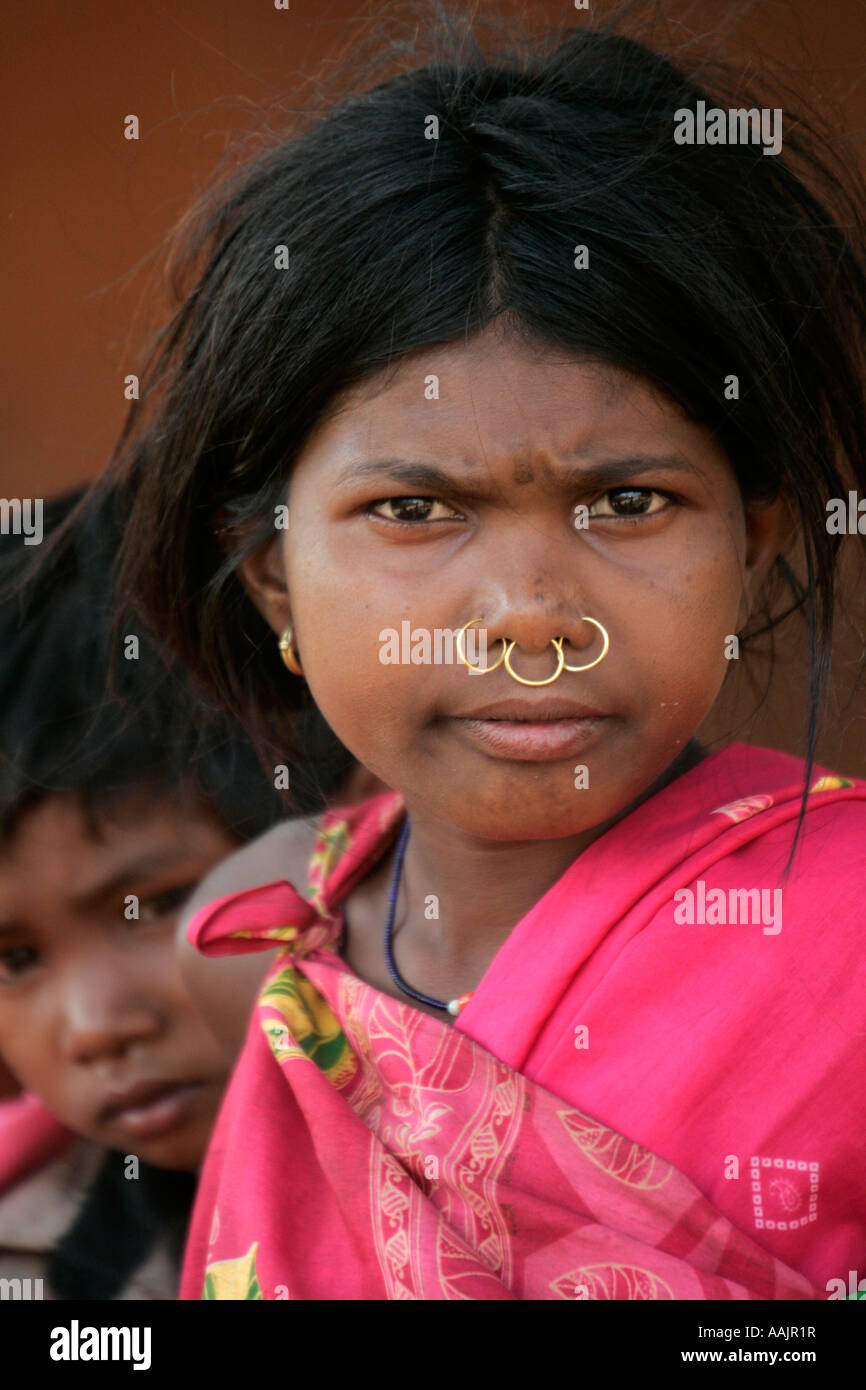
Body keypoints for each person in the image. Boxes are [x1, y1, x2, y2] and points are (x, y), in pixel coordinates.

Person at [111, 16, 866, 1299]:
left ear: (753, 539)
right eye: (413, 510)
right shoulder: (256, 942)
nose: (527, 613)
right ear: (273, 572)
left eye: (627, 502)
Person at [0, 486, 364, 1297]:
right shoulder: (36, 1253)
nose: (97, 1029)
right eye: (15, 959)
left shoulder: (491, 1162)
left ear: (350, 831)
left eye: (159, 904)